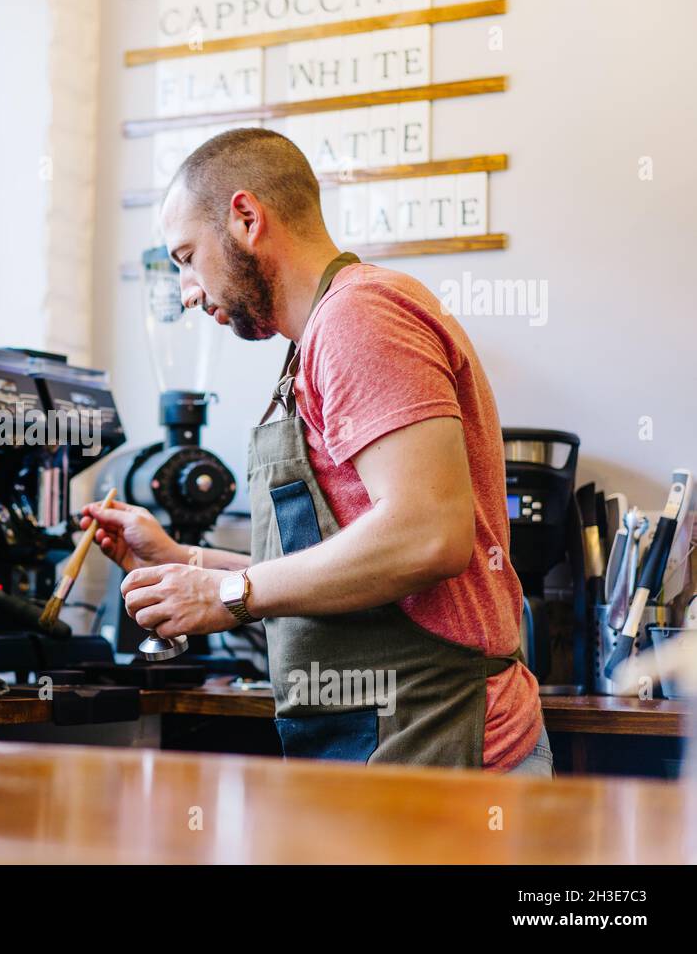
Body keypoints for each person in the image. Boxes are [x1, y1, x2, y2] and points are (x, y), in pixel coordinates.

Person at [82, 128, 549, 774]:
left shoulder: (359, 319)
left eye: (187, 257)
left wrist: (229, 594)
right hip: (385, 740)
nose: (188, 291)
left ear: (246, 218)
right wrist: (187, 562)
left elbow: (428, 535)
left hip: (448, 746)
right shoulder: (317, 342)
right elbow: (349, 561)